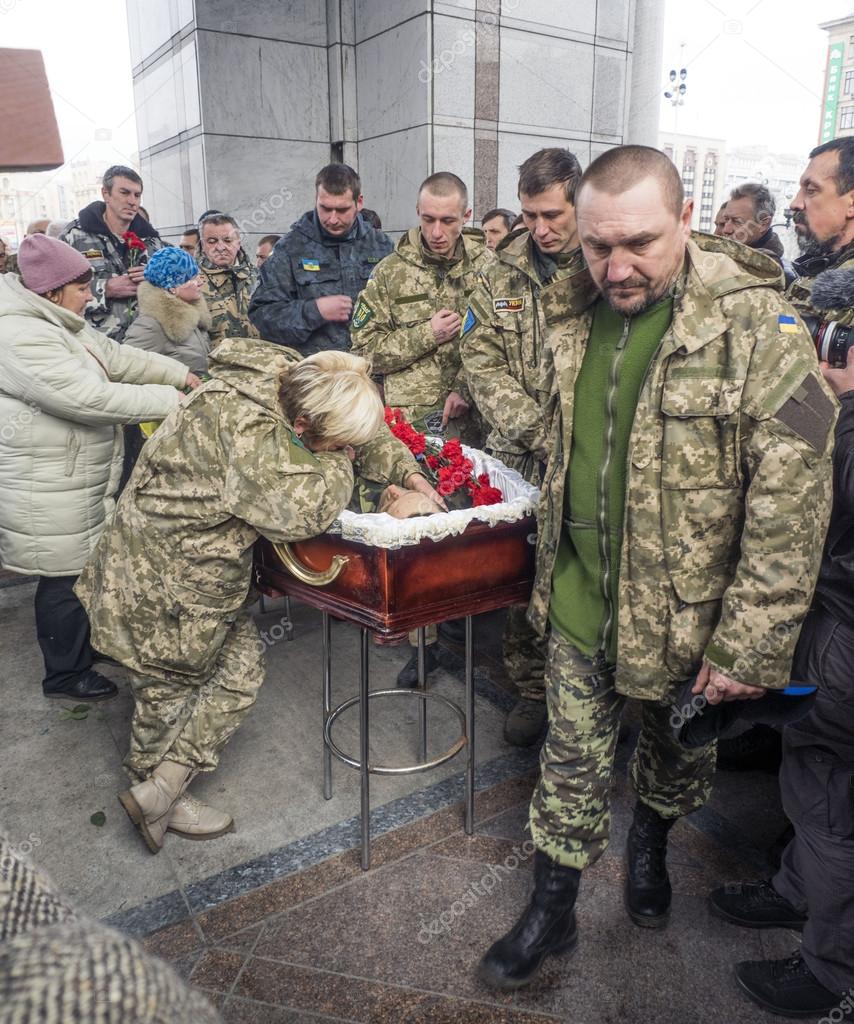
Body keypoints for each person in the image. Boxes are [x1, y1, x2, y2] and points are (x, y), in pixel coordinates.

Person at [477, 144, 835, 992]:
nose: (618, 266)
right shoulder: (567, 305)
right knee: (569, 758)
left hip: (687, 613)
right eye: (599, 246)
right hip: (577, 591)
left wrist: (749, 642)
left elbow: (796, 493)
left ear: (684, 219)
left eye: (639, 242)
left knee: (677, 758)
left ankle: (649, 848)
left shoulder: (758, 324)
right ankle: (552, 907)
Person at [75, 341, 437, 851]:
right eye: (336, 446)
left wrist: (408, 471)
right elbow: (302, 513)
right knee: (167, 692)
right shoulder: (250, 438)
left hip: (186, 577)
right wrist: (343, 465)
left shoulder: (291, 381)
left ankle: (160, 789)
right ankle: (156, 798)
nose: (342, 453)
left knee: (237, 672)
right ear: (305, 428)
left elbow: (361, 431)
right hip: (164, 584)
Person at [708, 136, 854, 1019]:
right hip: (826, 579)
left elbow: (818, 436)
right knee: (814, 762)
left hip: (843, 585)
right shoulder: (821, 292)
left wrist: (821, 406)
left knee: (827, 769)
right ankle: (800, 889)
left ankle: (831, 970)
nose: (798, 202)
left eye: (811, 188)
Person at [0, 235, 195, 703]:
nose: (91, 295)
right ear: (53, 290)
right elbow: (90, 397)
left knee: (85, 568)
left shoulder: (57, 321)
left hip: (71, 475)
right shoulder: (19, 333)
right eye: (82, 288)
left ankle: (86, 650)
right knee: (62, 577)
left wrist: (178, 373)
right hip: (45, 480)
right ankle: (65, 676)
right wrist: (176, 401)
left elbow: (116, 357)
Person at [351, 171, 494, 687]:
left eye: (449, 221)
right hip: (413, 429)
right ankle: (422, 639)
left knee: (467, 520)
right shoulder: (390, 273)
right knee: (418, 532)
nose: (437, 231)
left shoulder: (488, 266)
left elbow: (493, 339)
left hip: (471, 421)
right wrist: (424, 334)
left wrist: (466, 385)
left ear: (467, 216)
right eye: (429, 219)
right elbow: (364, 348)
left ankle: (467, 618)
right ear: (418, 214)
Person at [461, 148, 584, 747]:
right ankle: (533, 690)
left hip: (592, 450)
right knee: (523, 573)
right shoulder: (496, 272)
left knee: (584, 569)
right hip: (522, 449)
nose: (540, 229)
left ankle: (589, 691)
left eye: (553, 214)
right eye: (530, 215)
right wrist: (534, 426)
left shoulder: (608, 264)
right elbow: (479, 358)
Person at [248, 164, 393, 354]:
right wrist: (314, 311)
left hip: (369, 370)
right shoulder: (291, 248)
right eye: (325, 208)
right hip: (315, 372)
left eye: (341, 210)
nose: (332, 219)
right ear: (316, 200)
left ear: (359, 202)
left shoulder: (381, 245)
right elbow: (262, 315)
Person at [60, 165, 163, 341]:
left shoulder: (152, 242)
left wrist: (154, 281)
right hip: (96, 344)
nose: (132, 201)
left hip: (147, 345)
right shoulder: (74, 237)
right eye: (124, 192)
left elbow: (177, 290)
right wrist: (104, 289)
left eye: (137, 195)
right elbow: (58, 293)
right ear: (105, 194)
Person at [124, 247, 211, 375]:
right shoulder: (151, 325)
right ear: (172, 288)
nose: (200, 282)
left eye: (198, 275)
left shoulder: (189, 312)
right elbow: (126, 367)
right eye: (191, 278)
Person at [197, 213, 259, 344]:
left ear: (238, 242)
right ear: (202, 245)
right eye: (212, 241)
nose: (220, 247)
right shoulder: (191, 282)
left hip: (261, 361)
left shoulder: (260, 278)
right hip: (214, 362)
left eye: (227, 240)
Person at [721, 182, 785, 258]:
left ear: (763, 225)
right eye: (726, 219)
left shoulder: (767, 267)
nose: (726, 230)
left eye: (737, 222)